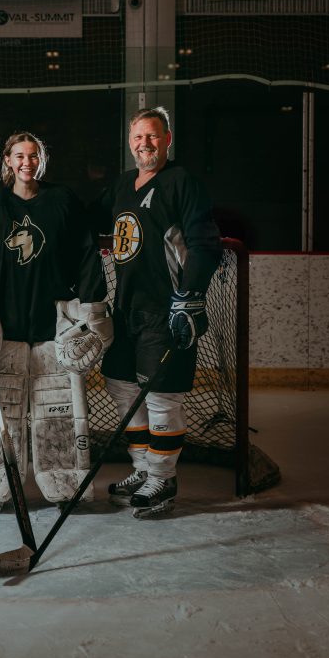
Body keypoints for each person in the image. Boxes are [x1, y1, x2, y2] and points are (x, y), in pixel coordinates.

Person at [0, 131, 112, 506]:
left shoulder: (62, 201)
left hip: (51, 327)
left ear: (42, 160)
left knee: (57, 414)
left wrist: (91, 306)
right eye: (19, 156)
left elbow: (87, 252)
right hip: (2, 329)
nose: (27, 162)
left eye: (34, 155)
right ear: (8, 161)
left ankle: (66, 481)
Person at [90, 107, 222, 517]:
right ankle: (143, 467)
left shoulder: (182, 182)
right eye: (137, 138)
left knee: (163, 396)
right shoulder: (123, 185)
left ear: (167, 139)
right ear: (130, 143)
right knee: (121, 385)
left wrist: (189, 296)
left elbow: (204, 243)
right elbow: (88, 222)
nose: (143, 144)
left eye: (151, 136)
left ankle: (163, 478)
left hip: (166, 311)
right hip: (128, 310)